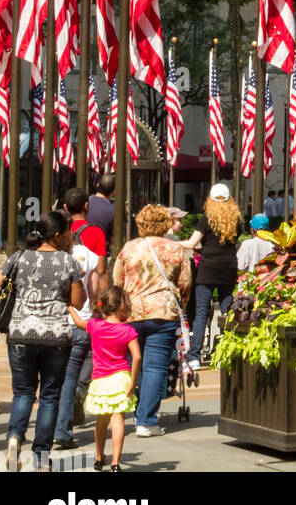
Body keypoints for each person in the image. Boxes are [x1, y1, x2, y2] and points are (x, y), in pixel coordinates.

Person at [0, 210, 84, 470]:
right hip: (55, 336)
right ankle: (41, 456)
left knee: (22, 392)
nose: (71, 236)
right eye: (69, 232)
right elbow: (78, 302)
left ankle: (14, 437)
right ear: (58, 235)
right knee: (49, 396)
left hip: (21, 333)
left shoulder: (19, 257)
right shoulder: (68, 262)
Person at [112, 204, 193, 437]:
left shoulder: (129, 247)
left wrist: (120, 309)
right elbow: (185, 283)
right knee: (156, 367)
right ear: (166, 223)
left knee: (133, 364)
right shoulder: (175, 248)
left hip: (132, 313)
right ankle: (146, 420)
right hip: (163, 312)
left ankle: (138, 410)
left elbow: (117, 280)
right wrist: (181, 306)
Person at [53, 188, 109, 448]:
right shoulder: (94, 236)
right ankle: (72, 406)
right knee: (79, 368)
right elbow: (100, 274)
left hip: (53, 320)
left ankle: (49, 426)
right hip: (83, 316)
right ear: (87, 206)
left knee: (54, 377)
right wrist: (99, 304)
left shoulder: (51, 248)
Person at [71, 286, 141, 473]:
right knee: (118, 420)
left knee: (101, 421)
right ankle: (116, 463)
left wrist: (70, 307)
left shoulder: (94, 325)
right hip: (120, 378)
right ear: (121, 306)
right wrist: (133, 382)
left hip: (100, 380)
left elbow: (78, 322)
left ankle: (99, 456)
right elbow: (137, 357)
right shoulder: (128, 331)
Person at [182, 183, 242, 372]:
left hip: (208, 268)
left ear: (211, 199)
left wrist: (171, 244)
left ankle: (194, 357)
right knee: (227, 311)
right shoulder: (237, 219)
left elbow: (192, 243)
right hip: (229, 267)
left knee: (201, 313)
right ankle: (227, 352)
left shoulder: (206, 218)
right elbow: (234, 244)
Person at [86, 175, 116, 249]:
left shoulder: (84, 202)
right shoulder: (113, 210)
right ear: (114, 191)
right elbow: (114, 240)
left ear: (97, 185)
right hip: (101, 254)